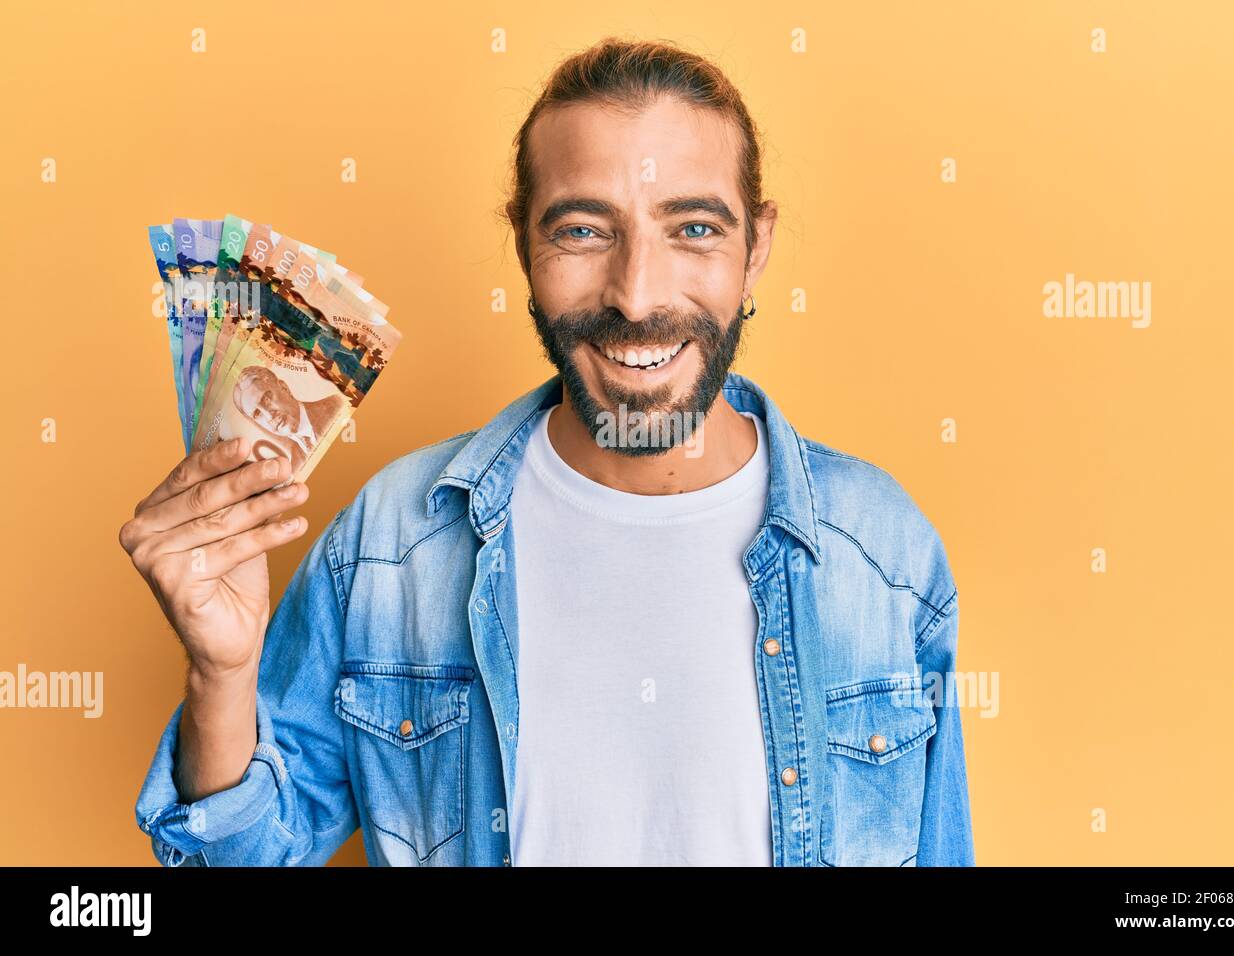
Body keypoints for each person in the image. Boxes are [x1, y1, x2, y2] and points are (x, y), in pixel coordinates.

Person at [120, 37, 974, 867]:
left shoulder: (884, 553)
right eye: (581, 231)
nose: (637, 297)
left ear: (756, 248)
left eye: (696, 229)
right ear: (523, 245)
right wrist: (221, 675)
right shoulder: (391, 545)